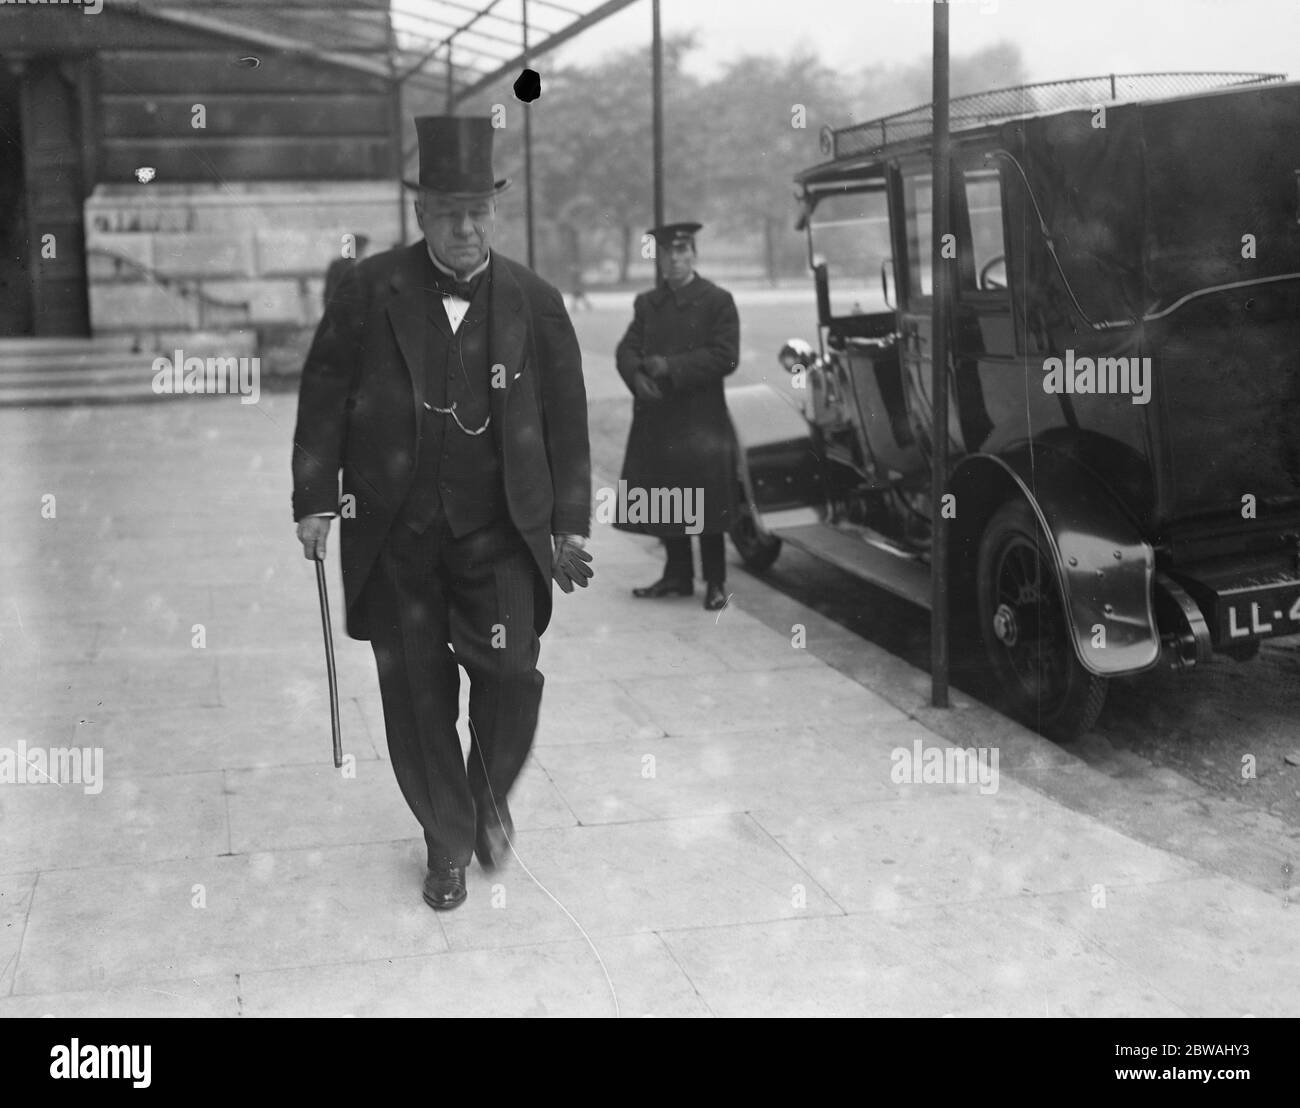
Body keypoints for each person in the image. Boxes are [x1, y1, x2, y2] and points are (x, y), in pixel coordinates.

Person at [291, 116, 593, 912]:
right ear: (420, 212)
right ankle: (447, 841)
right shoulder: (367, 290)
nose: (466, 227)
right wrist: (317, 497)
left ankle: (488, 797)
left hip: (499, 532)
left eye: (479, 211)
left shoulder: (536, 301)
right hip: (399, 533)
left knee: (510, 675)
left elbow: (567, 417)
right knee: (418, 696)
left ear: (496, 211)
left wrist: (568, 522)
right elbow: (323, 393)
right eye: (448, 211)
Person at [614, 221, 740, 611]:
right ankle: (677, 575)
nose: (674, 261)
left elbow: (726, 356)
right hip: (658, 418)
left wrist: (671, 366)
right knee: (666, 497)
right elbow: (627, 348)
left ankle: (716, 581)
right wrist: (636, 375)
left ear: (693, 255)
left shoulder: (717, 300)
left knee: (707, 503)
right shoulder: (648, 304)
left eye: (682, 252)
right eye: (667, 254)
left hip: (700, 419)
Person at [322, 233, 369, 308]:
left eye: (362, 248)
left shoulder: (364, 266)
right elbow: (329, 291)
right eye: (359, 248)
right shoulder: (337, 266)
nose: (361, 252)